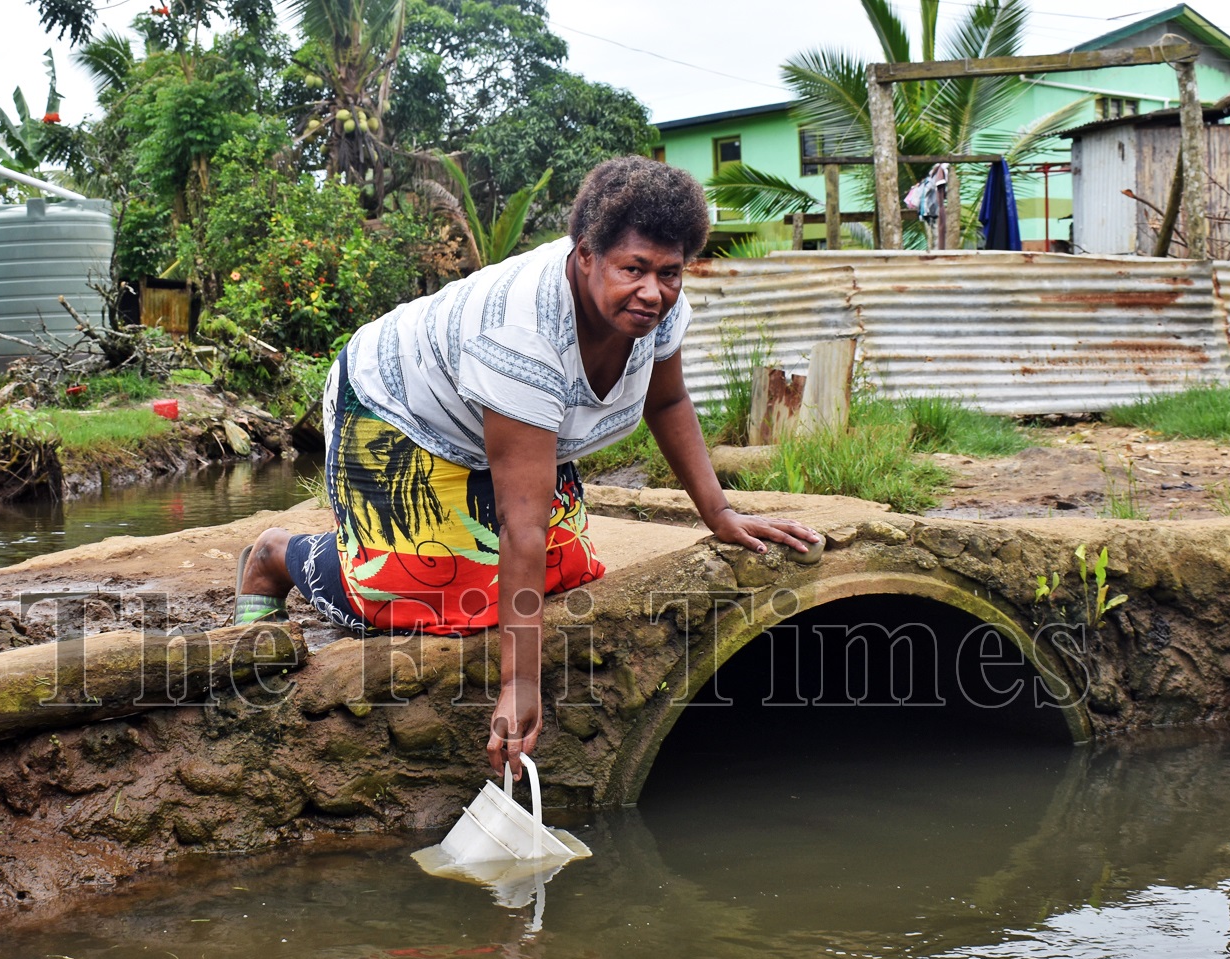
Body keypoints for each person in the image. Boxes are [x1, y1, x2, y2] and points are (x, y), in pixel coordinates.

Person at [234, 155, 820, 772]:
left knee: (564, 575)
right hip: (400, 413)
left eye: (670, 272)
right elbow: (523, 528)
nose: (653, 292)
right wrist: (519, 685)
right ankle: (281, 557)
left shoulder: (659, 308)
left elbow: (666, 398)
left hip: (507, 425)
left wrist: (720, 513)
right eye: (634, 269)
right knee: (439, 598)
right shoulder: (521, 328)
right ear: (587, 253)